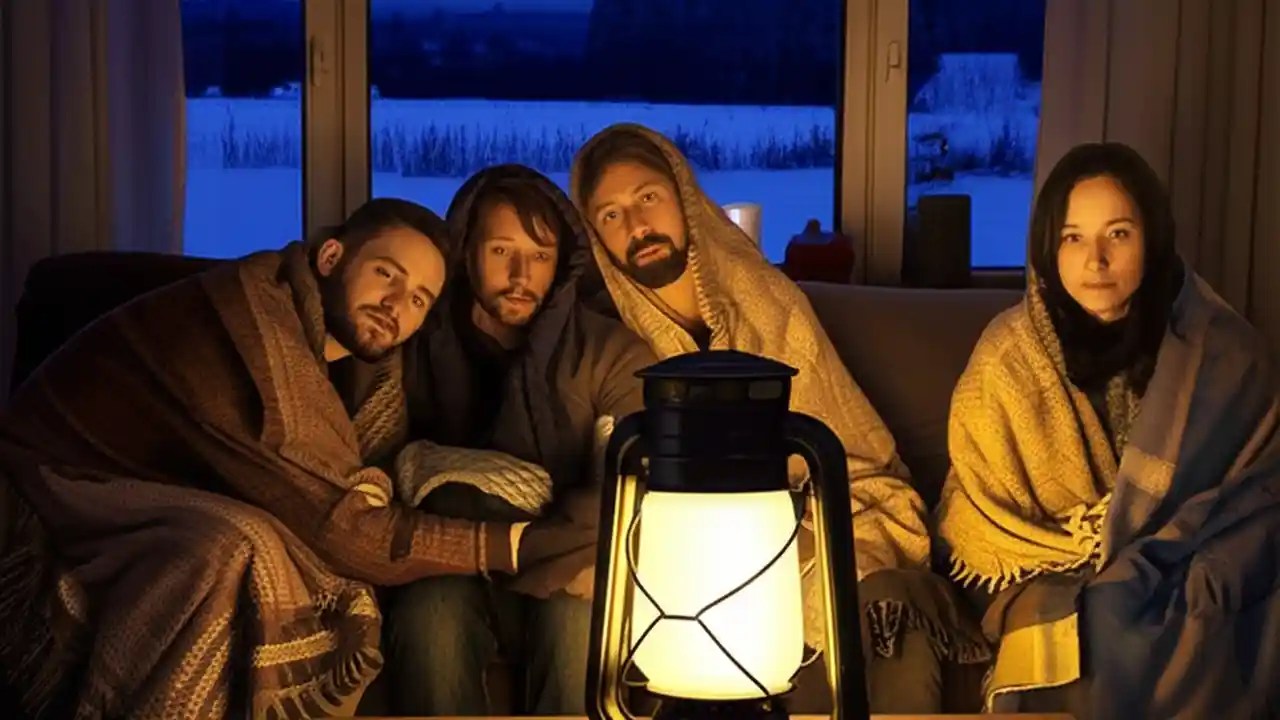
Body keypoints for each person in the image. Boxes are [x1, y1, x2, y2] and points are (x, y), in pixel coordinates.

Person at [0, 198, 595, 718]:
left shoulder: (371, 374)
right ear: (331, 258)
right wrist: (525, 543)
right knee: (237, 546)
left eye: (418, 298)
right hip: (49, 486)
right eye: (386, 273)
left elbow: (354, 476)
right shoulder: (250, 330)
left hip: (154, 486)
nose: (397, 304)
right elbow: (344, 527)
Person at [570, 123, 990, 714]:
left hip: (814, 513)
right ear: (596, 236)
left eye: (646, 198)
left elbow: (851, 450)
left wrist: (796, 518)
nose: (636, 226)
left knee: (882, 602)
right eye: (610, 215)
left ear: (683, 197)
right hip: (688, 538)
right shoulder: (605, 337)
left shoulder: (769, 302)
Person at [936, 142, 1280, 719]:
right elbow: (989, 508)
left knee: (1217, 592)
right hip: (1048, 561)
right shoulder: (1007, 358)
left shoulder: (1221, 348)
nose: (1095, 259)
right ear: (1048, 246)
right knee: (1105, 614)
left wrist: (1170, 550)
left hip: (1195, 546)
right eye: (1072, 237)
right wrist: (1106, 546)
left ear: (1153, 237)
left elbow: (1258, 489)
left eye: (1118, 234)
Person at [385, 165, 656, 716]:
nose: (519, 274)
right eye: (501, 251)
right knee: (427, 616)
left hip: (568, 562)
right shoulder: (414, 340)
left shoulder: (607, 352)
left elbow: (629, 486)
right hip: (445, 561)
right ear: (465, 251)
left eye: (539, 256)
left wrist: (538, 527)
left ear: (562, 264)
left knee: (582, 615)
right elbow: (374, 466)